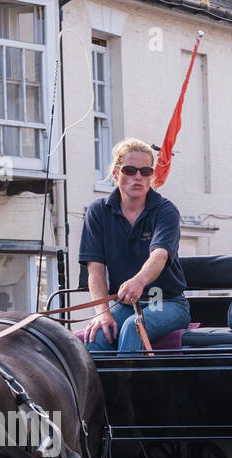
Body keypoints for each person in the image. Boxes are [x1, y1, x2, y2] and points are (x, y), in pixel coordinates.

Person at [79, 138, 190, 353]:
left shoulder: (165, 210)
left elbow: (159, 255)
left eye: (145, 171)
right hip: (124, 305)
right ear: (115, 173)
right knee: (97, 335)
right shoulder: (98, 212)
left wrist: (139, 281)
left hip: (165, 301)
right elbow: (96, 269)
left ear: (151, 176)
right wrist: (102, 312)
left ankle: (126, 387)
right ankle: (100, 388)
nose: (138, 177)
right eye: (130, 170)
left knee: (134, 327)